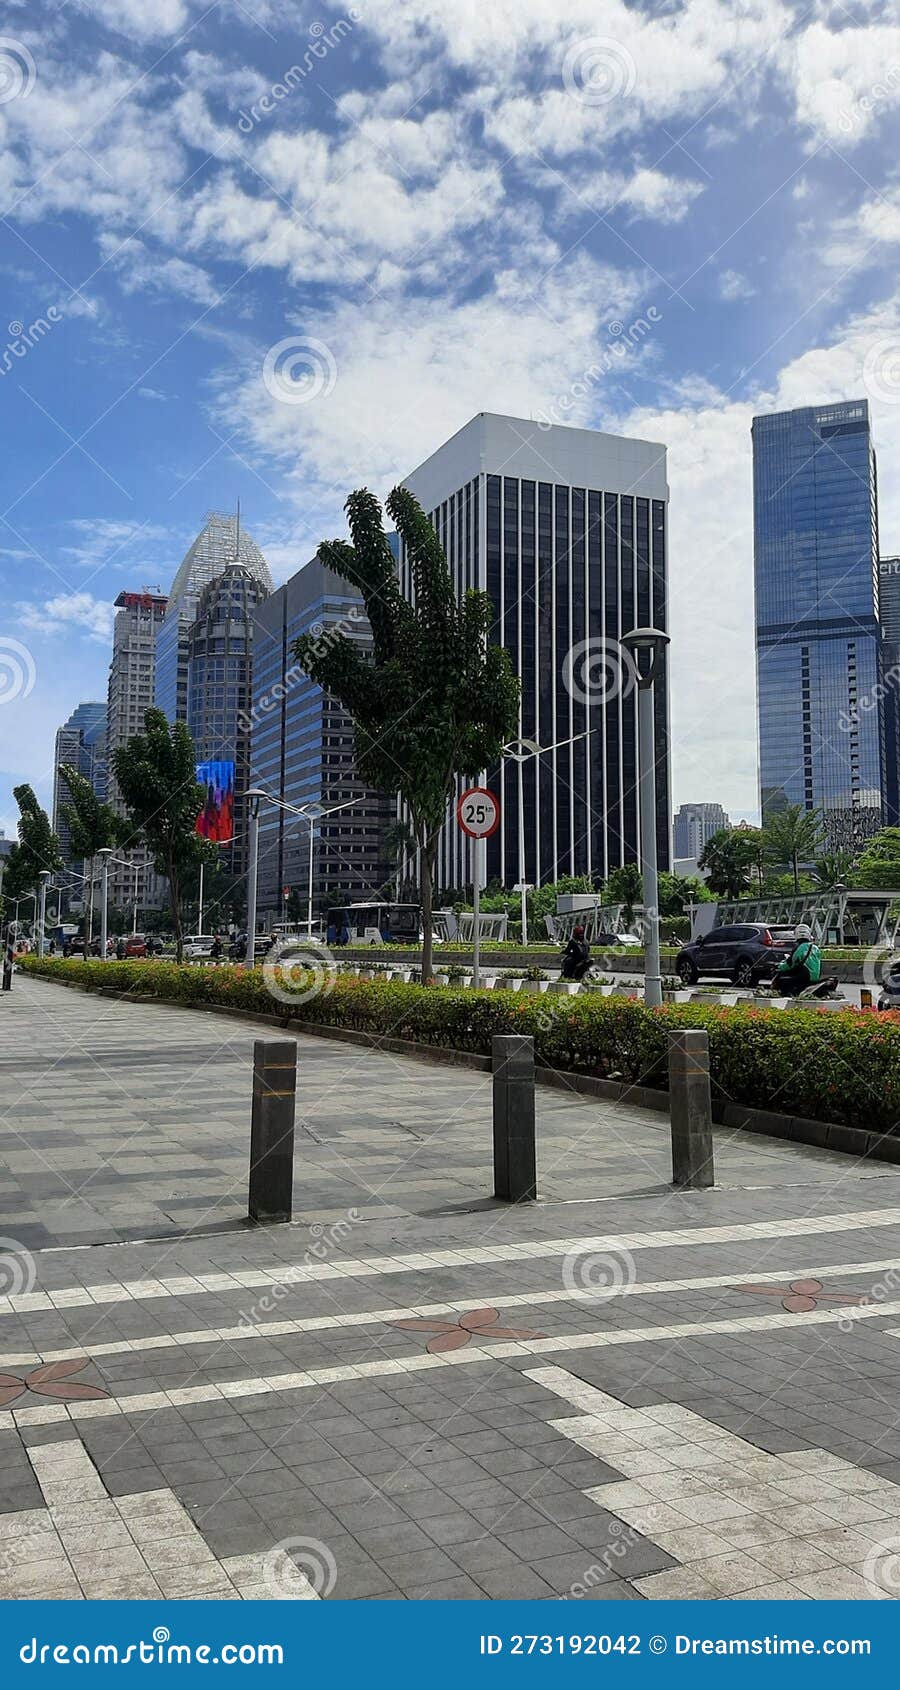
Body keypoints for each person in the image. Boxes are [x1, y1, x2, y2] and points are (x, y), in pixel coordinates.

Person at [772, 924, 837, 998]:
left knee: (782, 981)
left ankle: (789, 998)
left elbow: (790, 964)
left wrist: (779, 966)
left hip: (804, 977)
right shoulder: (815, 948)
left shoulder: (799, 948)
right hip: (814, 977)